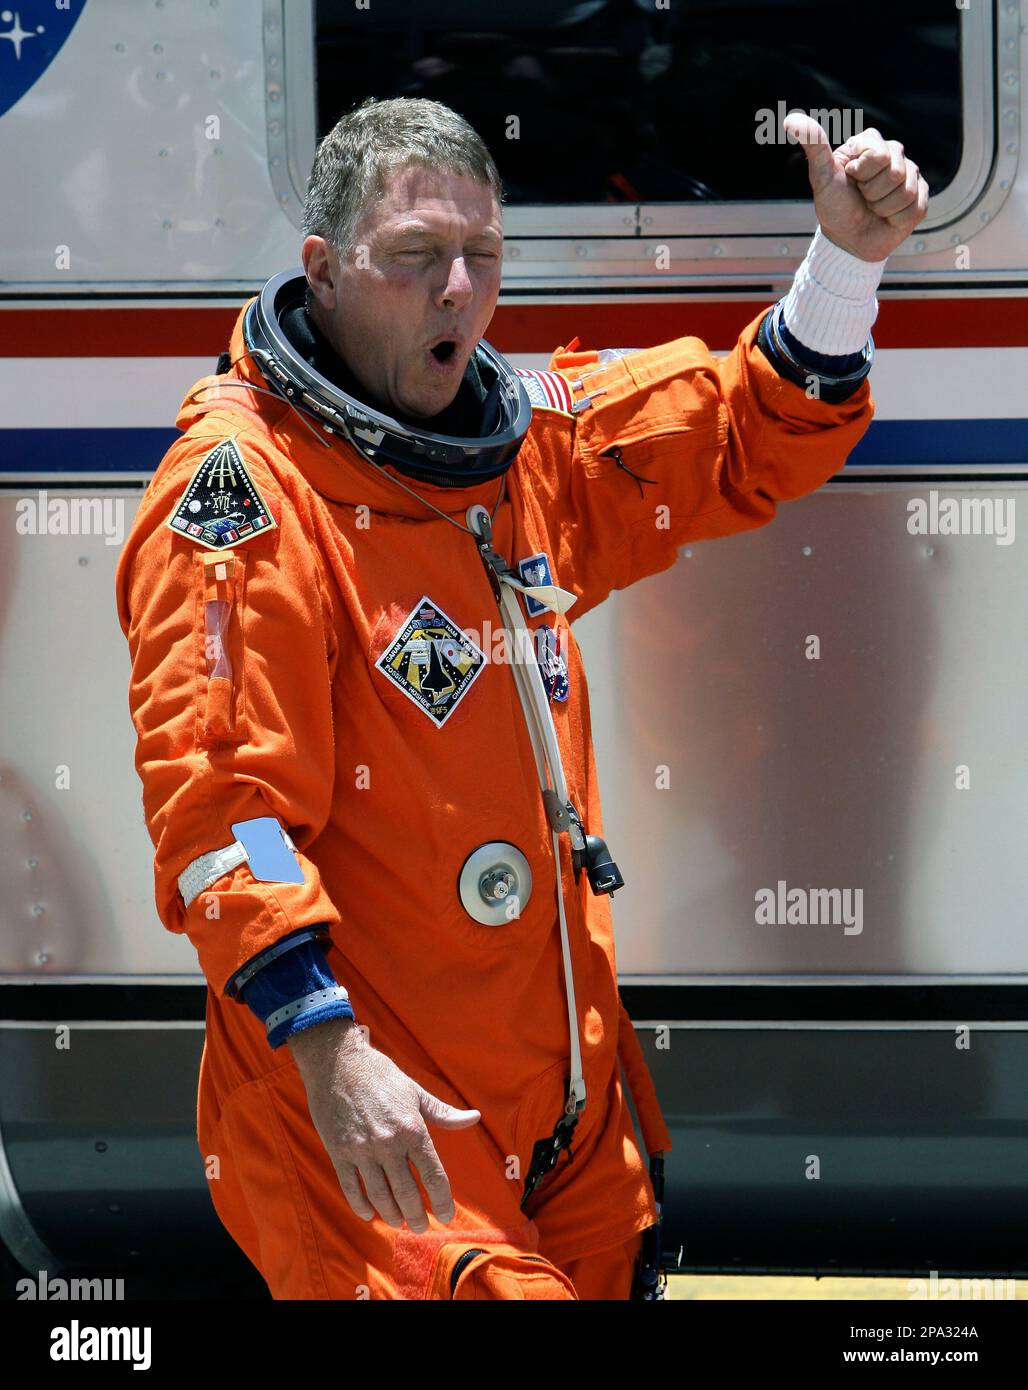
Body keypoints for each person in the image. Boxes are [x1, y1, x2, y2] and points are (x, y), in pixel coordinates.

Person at [115, 96, 927, 1300]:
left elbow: (736, 428)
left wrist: (846, 262)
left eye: (479, 258)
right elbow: (223, 814)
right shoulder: (243, 498)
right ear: (324, 272)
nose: (456, 291)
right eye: (414, 258)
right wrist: (329, 1050)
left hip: (559, 1103)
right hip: (371, 1111)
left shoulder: (518, 446)